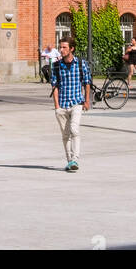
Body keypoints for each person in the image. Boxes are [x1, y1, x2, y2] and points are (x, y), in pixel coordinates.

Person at [50, 34, 91, 172]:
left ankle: (75, 159)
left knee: (74, 129)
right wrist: (56, 107)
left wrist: (86, 101)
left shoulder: (81, 64)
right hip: (62, 104)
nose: (61, 50)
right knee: (65, 135)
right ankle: (69, 161)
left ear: (71, 49)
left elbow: (86, 83)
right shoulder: (56, 66)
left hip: (76, 103)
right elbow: (55, 86)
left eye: (64, 47)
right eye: (60, 47)